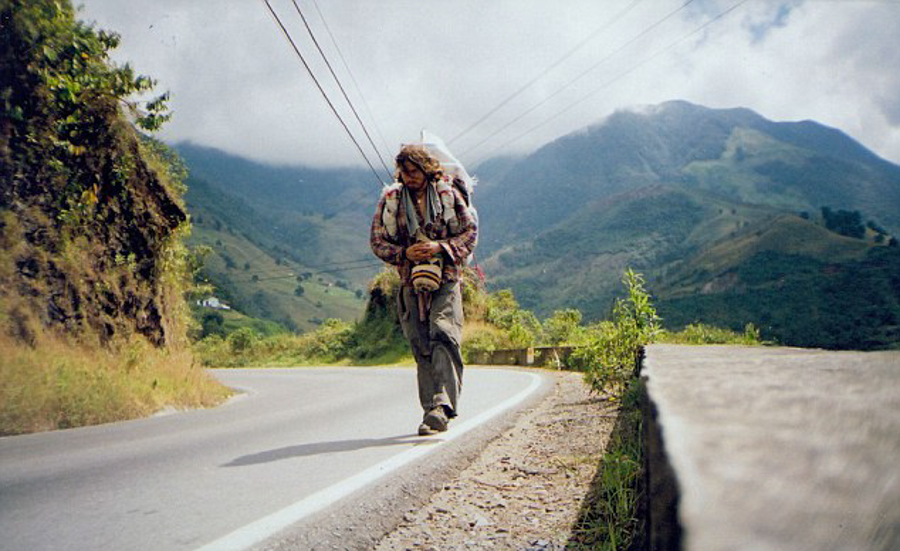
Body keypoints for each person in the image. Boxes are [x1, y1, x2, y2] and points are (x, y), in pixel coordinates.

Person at [370, 144, 478, 436]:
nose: (409, 176)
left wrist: (440, 247)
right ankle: (430, 409)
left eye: (414, 170)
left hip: (446, 277)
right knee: (420, 342)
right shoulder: (391, 200)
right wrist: (405, 254)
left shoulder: (446, 194)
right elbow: (377, 241)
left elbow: (469, 232)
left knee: (444, 332)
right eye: (404, 171)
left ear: (426, 168)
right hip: (410, 281)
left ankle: (442, 406)